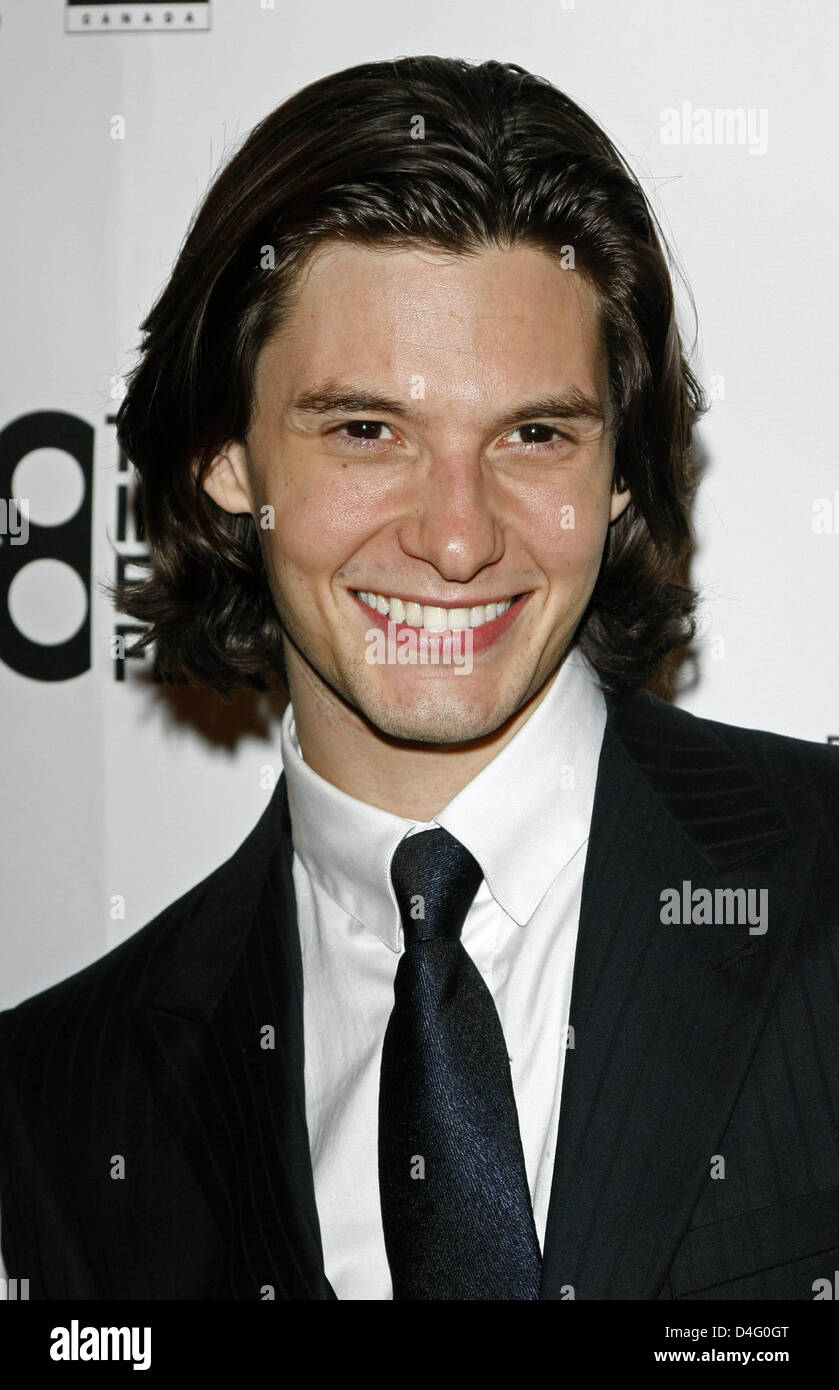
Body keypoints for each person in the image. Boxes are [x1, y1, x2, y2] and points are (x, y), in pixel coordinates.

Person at [1, 54, 838, 1302]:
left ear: (618, 477)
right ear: (225, 461)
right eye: (364, 430)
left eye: (533, 434)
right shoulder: (60, 1096)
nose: (456, 537)